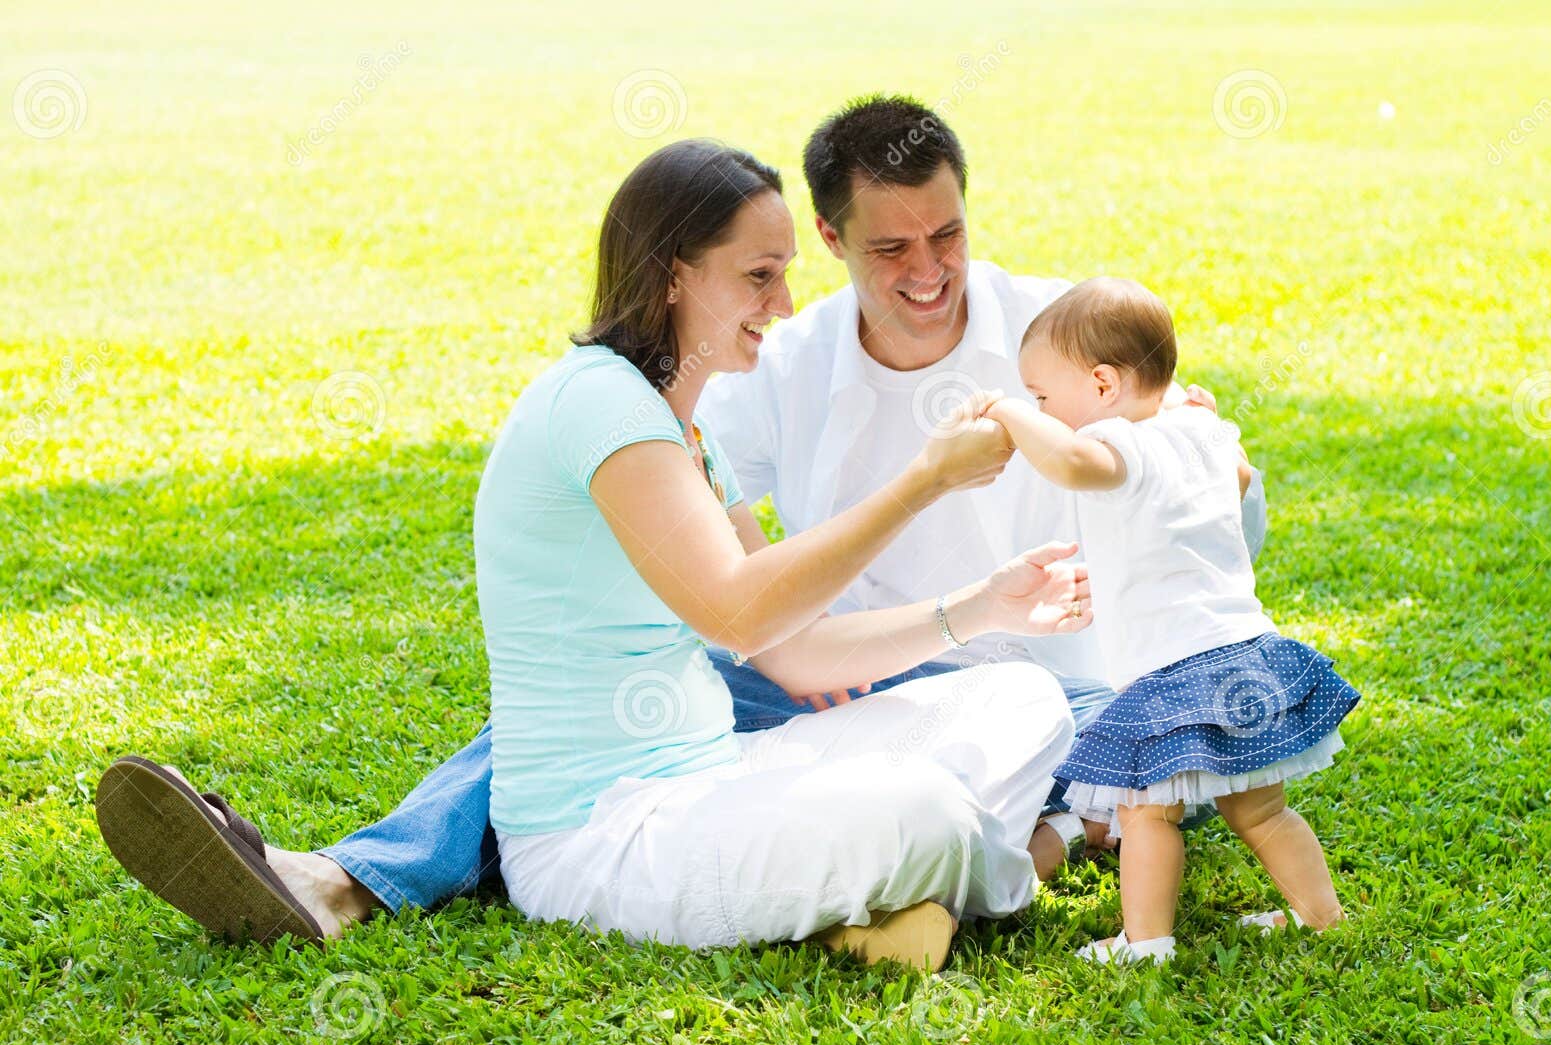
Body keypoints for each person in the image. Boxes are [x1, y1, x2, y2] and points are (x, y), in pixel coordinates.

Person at [95, 94, 1267, 947]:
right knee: (912, 799)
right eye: (759, 276)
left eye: (945, 236)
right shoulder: (624, 406)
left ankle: (922, 885)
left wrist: (989, 603)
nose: (785, 305)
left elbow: (782, 639)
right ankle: (985, 864)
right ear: (678, 276)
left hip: (780, 726)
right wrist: (924, 478)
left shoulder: (1040, 332)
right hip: (630, 806)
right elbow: (745, 608)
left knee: (1018, 699)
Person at [976, 277, 1359, 965]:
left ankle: (1145, 942)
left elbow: (1067, 460)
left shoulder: (1124, 444)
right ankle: (1319, 916)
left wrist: (1006, 411)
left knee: (1145, 812)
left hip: (1175, 667)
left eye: (1042, 395)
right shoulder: (1203, 430)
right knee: (1261, 809)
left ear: (1101, 386)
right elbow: (1237, 480)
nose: (1039, 408)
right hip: (1244, 649)